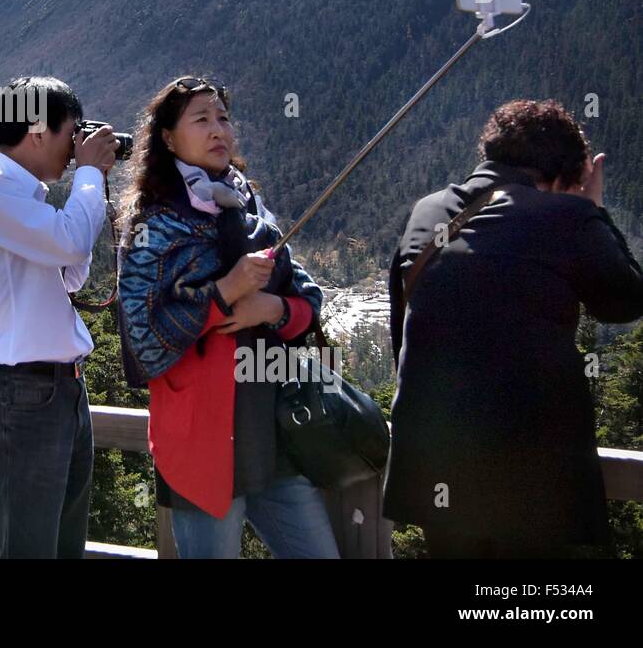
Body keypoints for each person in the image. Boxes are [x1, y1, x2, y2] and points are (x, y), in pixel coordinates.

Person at [384, 99, 643, 558]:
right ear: (562, 177)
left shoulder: (426, 211)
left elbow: (404, 333)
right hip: (534, 478)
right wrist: (594, 210)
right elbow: (625, 302)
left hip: (434, 466)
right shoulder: (565, 215)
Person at [117, 77, 339, 558]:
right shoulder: (150, 225)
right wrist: (224, 292)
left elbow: (308, 298)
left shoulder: (250, 206)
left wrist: (274, 309)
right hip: (203, 444)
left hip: (276, 433)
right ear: (168, 138)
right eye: (202, 119)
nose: (219, 130)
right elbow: (143, 336)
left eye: (223, 118)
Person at [0, 75, 119, 558]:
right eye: (72, 134)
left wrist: (88, 185)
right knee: (31, 548)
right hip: (22, 392)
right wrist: (89, 176)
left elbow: (67, 276)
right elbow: (69, 242)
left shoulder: (21, 194)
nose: (74, 149)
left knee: (65, 546)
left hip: (58, 388)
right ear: (39, 131)